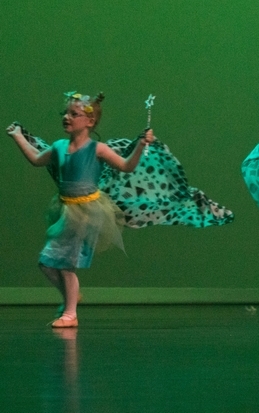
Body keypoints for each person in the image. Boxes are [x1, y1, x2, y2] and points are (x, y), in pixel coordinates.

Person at [7, 92, 153, 328]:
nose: (67, 117)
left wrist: (140, 145)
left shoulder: (97, 149)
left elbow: (126, 166)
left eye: (73, 114)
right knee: (47, 263)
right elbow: (36, 159)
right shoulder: (59, 146)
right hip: (65, 207)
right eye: (65, 113)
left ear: (90, 121)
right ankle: (71, 299)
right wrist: (17, 136)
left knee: (64, 263)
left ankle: (70, 313)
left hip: (86, 212)